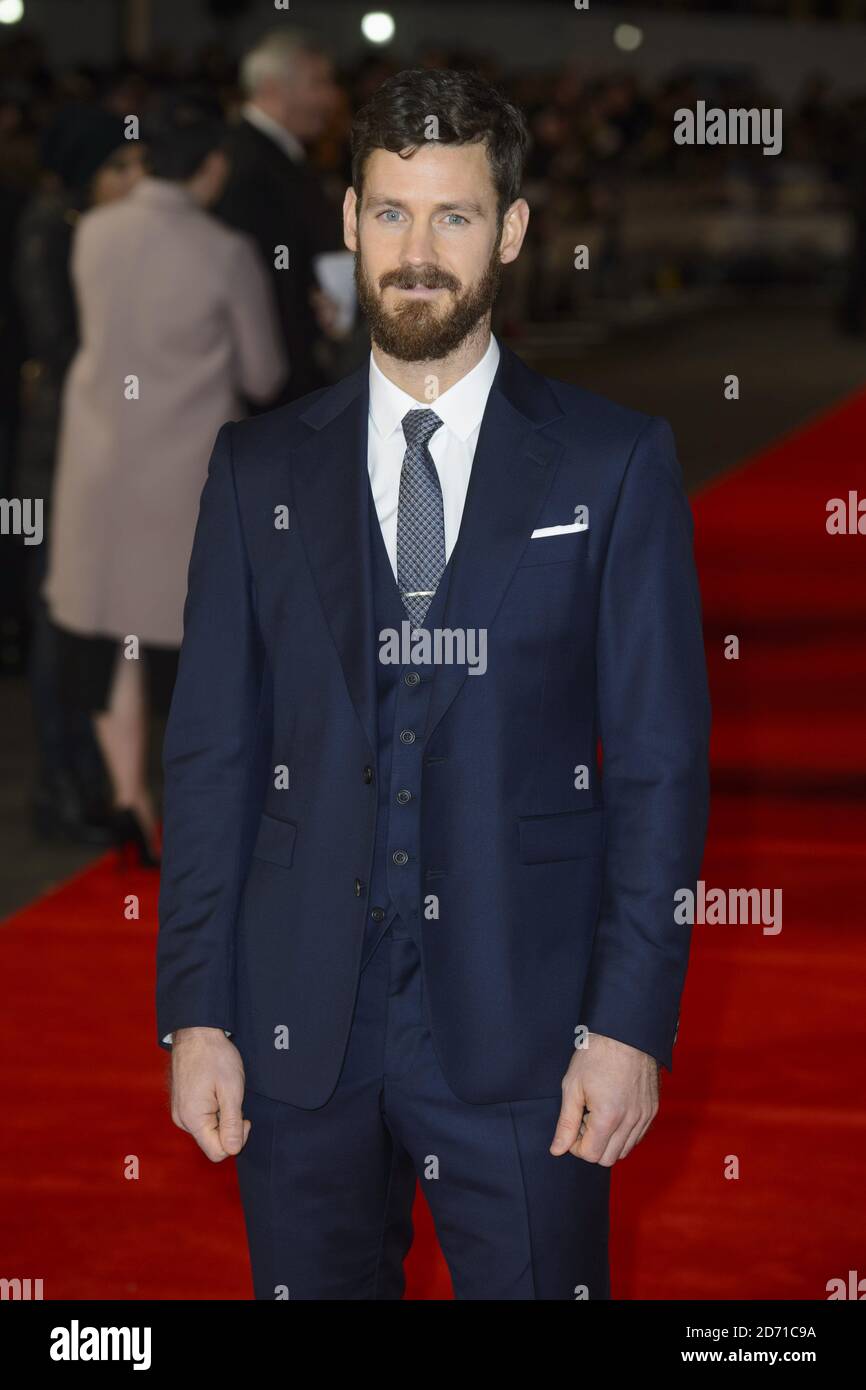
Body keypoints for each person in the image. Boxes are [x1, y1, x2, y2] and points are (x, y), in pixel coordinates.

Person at [157, 67, 711, 1299]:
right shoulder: (256, 470)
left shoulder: (611, 463)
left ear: (509, 231)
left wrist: (627, 1026)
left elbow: (661, 766)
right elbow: (209, 758)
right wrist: (195, 1009)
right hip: (300, 1034)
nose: (417, 251)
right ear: (349, 222)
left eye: (452, 215)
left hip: (530, 1033)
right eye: (391, 213)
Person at [42, 102, 287, 867]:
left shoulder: (95, 230)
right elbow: (264, 373)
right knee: (193, 647)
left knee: (111, 635)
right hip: (180, 474)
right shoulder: (223, 252)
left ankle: (126, 798)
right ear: (210, 169)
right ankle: (197, 816)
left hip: (96, 462)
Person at [15, 105, 143, 844]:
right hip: (57, 465)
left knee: (90, 627)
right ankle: (62, 786)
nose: (133, 181)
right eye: (119, 168)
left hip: (83, 457)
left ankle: (88, 779)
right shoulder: (53, 232)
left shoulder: (81, 229)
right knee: (62, 627)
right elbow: (66, 345)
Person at [215, 27, 345, 404]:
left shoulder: (278, 156)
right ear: (273, 89)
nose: (331, 98)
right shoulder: (249, 164)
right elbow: (266, 283)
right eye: (318, 83)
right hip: (273, 381)